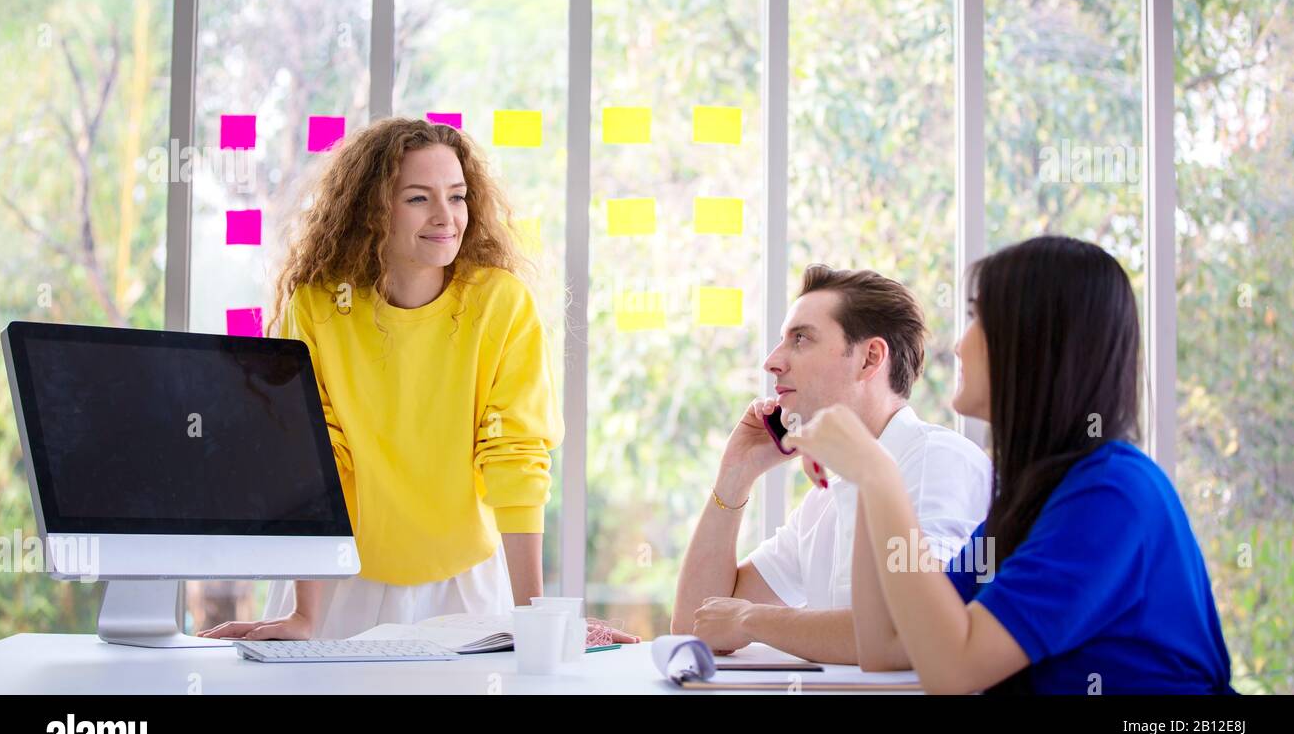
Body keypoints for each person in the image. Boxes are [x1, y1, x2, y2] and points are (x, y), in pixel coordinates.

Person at [198, 117, 635, 644]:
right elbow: (312, 460)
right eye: (418, 199)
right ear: (372, 208)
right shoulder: (317, 307)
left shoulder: (500, 303)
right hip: (339, 579)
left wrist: (534, 617)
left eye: (457, 196)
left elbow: (516, 460)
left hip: (465, 583)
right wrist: (305, 615)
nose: (446, 217)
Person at [795, 235, 1233, 693]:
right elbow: (884, 644)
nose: (960, 345)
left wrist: (877, 473)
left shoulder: (1113, 494)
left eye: (978, 318)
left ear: (1037, 339)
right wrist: (870, 476)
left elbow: (953, 671)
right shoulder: (1032, 502)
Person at [671, 265, 991, 663]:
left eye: (800, 339)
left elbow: (906, 632)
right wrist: (736, 474)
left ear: (869, 358)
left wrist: (751, 620)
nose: (772, 362)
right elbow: (695, 625)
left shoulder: (937, 464)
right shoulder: (824, 501)